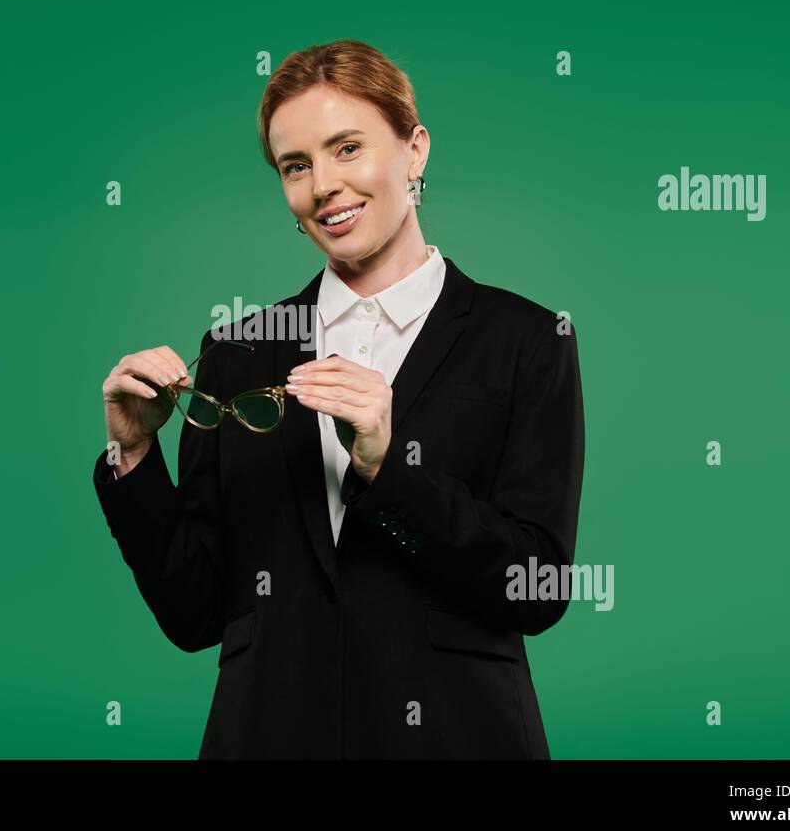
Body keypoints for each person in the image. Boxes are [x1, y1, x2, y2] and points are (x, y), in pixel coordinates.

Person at [92, 39, 585, 758]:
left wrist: (389, 474)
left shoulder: (529, 339)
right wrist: (133, 455)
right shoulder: (234, 354)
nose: (323, 184)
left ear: (413, 151)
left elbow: (536, 590)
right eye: (296, 166)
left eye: (347, 148)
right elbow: (195, 614)